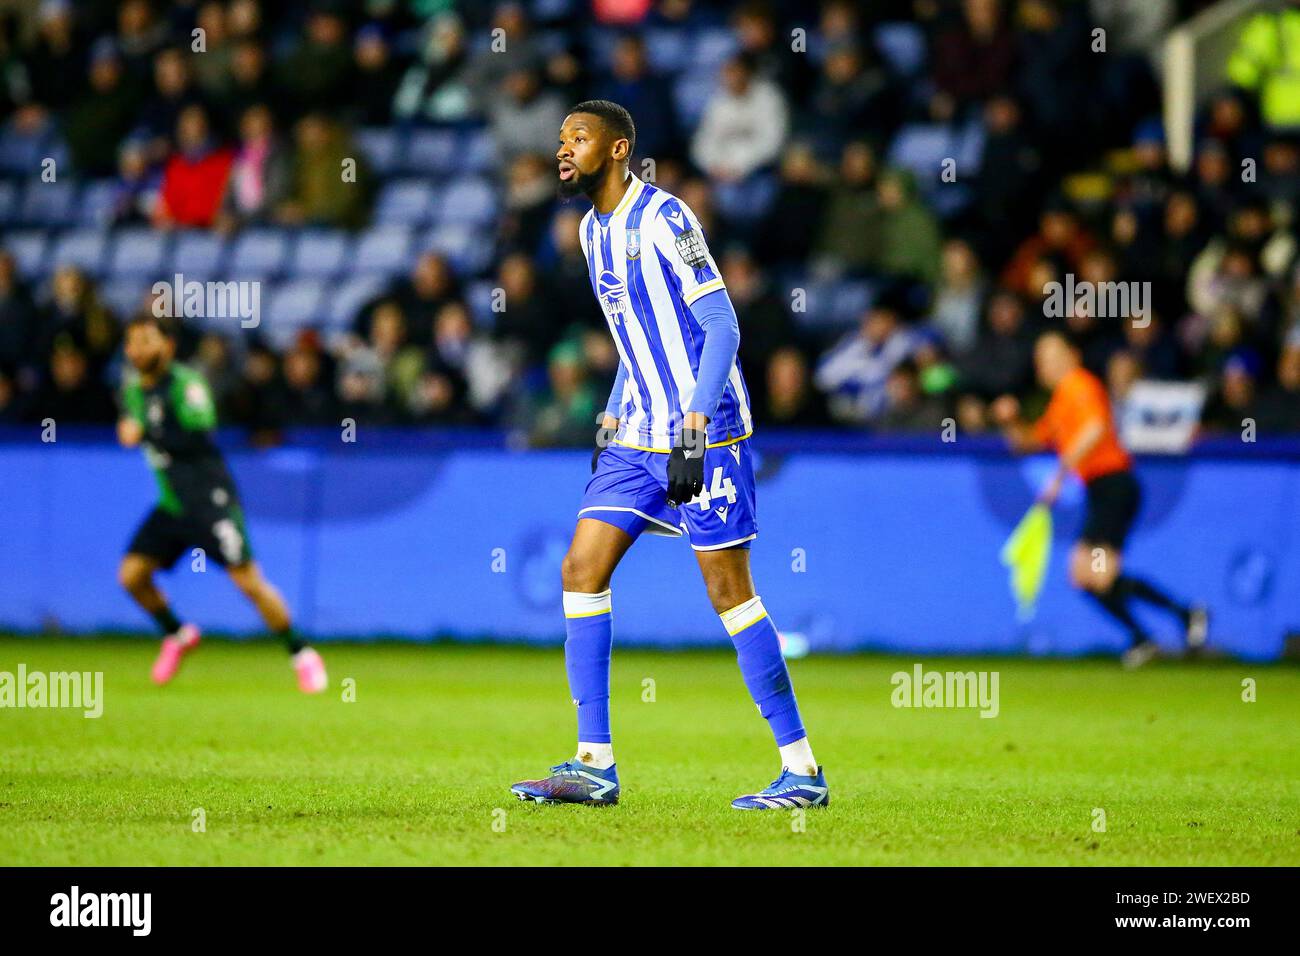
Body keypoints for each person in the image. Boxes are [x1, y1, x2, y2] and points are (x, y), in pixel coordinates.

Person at [510, 101, 827, 810]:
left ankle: (802, 771)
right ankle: (594, 764)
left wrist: (691, 426)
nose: (564, 150)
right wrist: (617, 411)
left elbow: (721, 325)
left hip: (702, 433)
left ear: (618, 148)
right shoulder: (590, 232)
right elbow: (635, 340)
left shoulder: (666, 218)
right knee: (580, 567)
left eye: (579, 138)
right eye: (561, 139)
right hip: (636, 437)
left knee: (728, 593)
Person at [116, 314, 328, 693]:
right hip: (172, 504)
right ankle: (178, 633)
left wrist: (145, 431)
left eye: (147, 340)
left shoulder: (187, 384)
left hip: (211, 501)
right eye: (133, 342)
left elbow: (198, 436)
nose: (138, 349)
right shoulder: (133, 391)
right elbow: (135, 427)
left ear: (168, 346)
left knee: (249, 584)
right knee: (132, 575)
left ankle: (302, 653)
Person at [992, 331, 1208, 667]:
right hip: (1102, 491)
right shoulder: (1060, 402)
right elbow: (1028, 442)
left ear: (1072, 356)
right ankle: (1162, 627)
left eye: (1051, 357)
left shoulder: (1080, 386)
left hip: (1114, 487)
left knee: (1097, 574)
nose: (1045, 366)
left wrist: (1060, 475)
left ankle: (1177, 620)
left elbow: (1094, 429)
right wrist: (1010, 420)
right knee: (1085, 575)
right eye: (1040, 360)